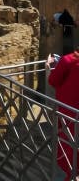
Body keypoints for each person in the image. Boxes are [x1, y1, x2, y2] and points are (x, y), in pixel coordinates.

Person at [49, 46, 79, 180]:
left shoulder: (68, 60)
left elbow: (53, 81)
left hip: (69, 110)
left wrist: (49, 65)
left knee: (69, 143)